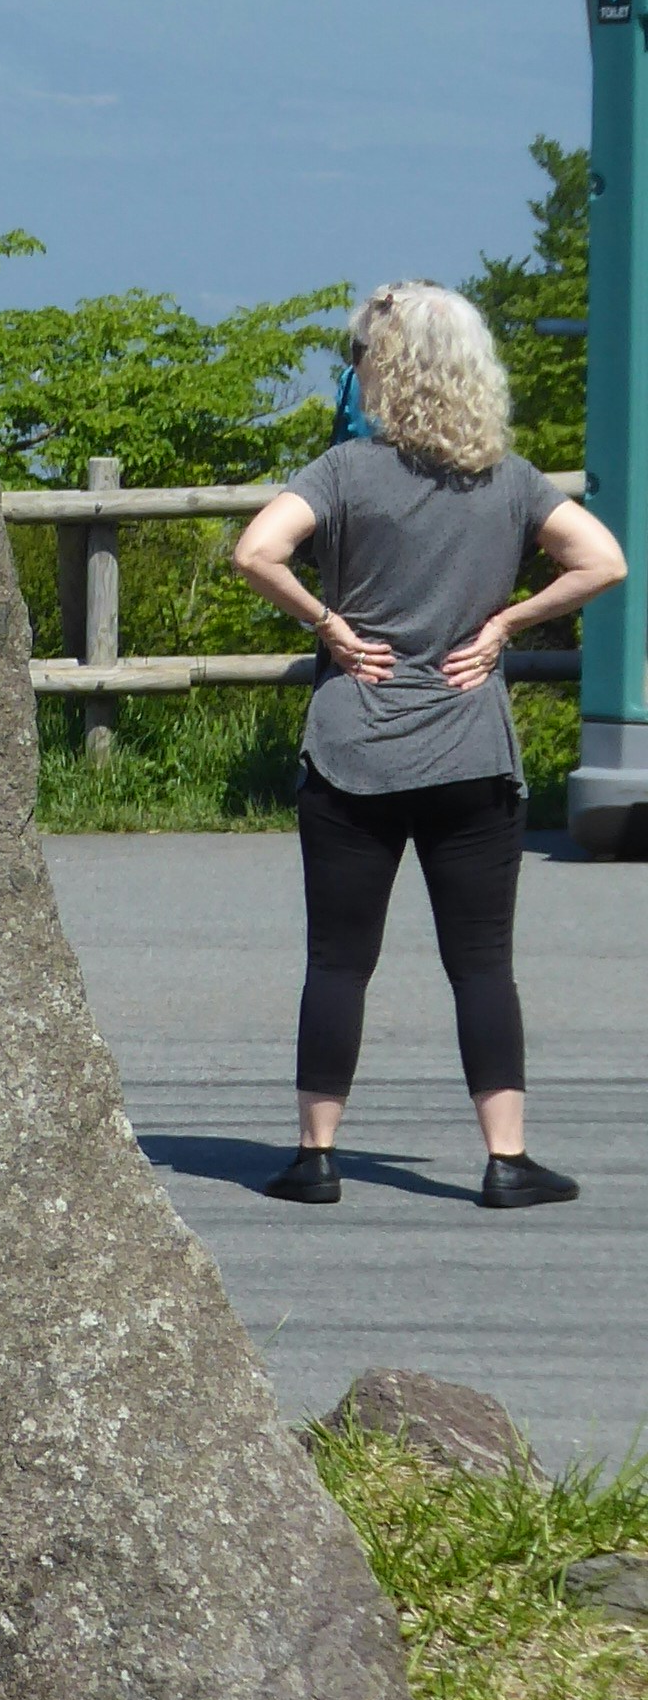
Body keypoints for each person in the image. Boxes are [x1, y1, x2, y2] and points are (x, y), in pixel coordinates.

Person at [231, 279, 625, 1210]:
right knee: (482, 962)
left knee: (338, 959)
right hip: (469, 753)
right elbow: (605, 561)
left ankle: (316, 1157)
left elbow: (254, 552)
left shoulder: (342, 473)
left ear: (385, 371)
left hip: (350, 751)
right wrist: (506, 625)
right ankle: (506, 1161)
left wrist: (329, 624)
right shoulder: (511, 479)